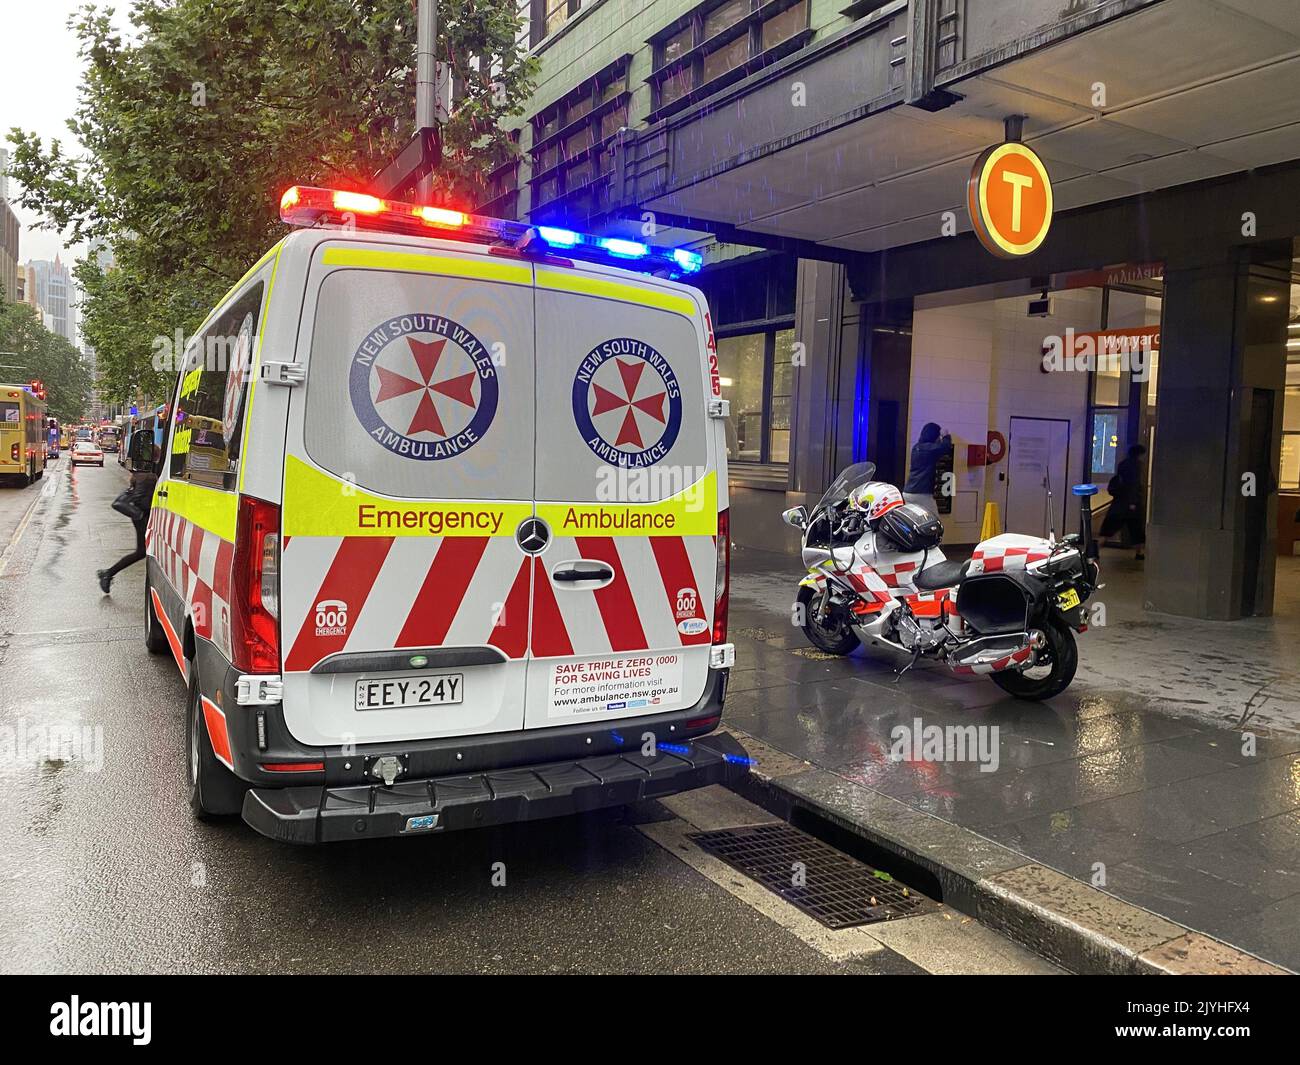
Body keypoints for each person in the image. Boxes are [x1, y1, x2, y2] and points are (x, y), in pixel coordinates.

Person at [98, 446, 159, 594]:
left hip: (141, 516)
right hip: (143, 517)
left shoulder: (142, 473)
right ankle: (107, 573)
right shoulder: (149, 476)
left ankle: (108, 573)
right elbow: (143, 501)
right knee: (142, 552)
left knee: (144, 551)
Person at [1100, 443, 1147, 561]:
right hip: (1130, 504)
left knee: (1108, 529)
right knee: (1136, 530)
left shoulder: (1123, 464)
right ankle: (1139, 553)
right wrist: (1133, 502)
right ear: (1140, 454)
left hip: (1119, 503)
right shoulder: (1136, 466)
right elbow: (1134, 485)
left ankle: (1096, 549)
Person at [902, 422, 953, 512]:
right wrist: (945, 436)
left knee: (916, 521)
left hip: (908, 492)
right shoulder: (930, 449)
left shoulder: (916, 447)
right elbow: (946, 447)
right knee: (935, 522)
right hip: (922, 493)